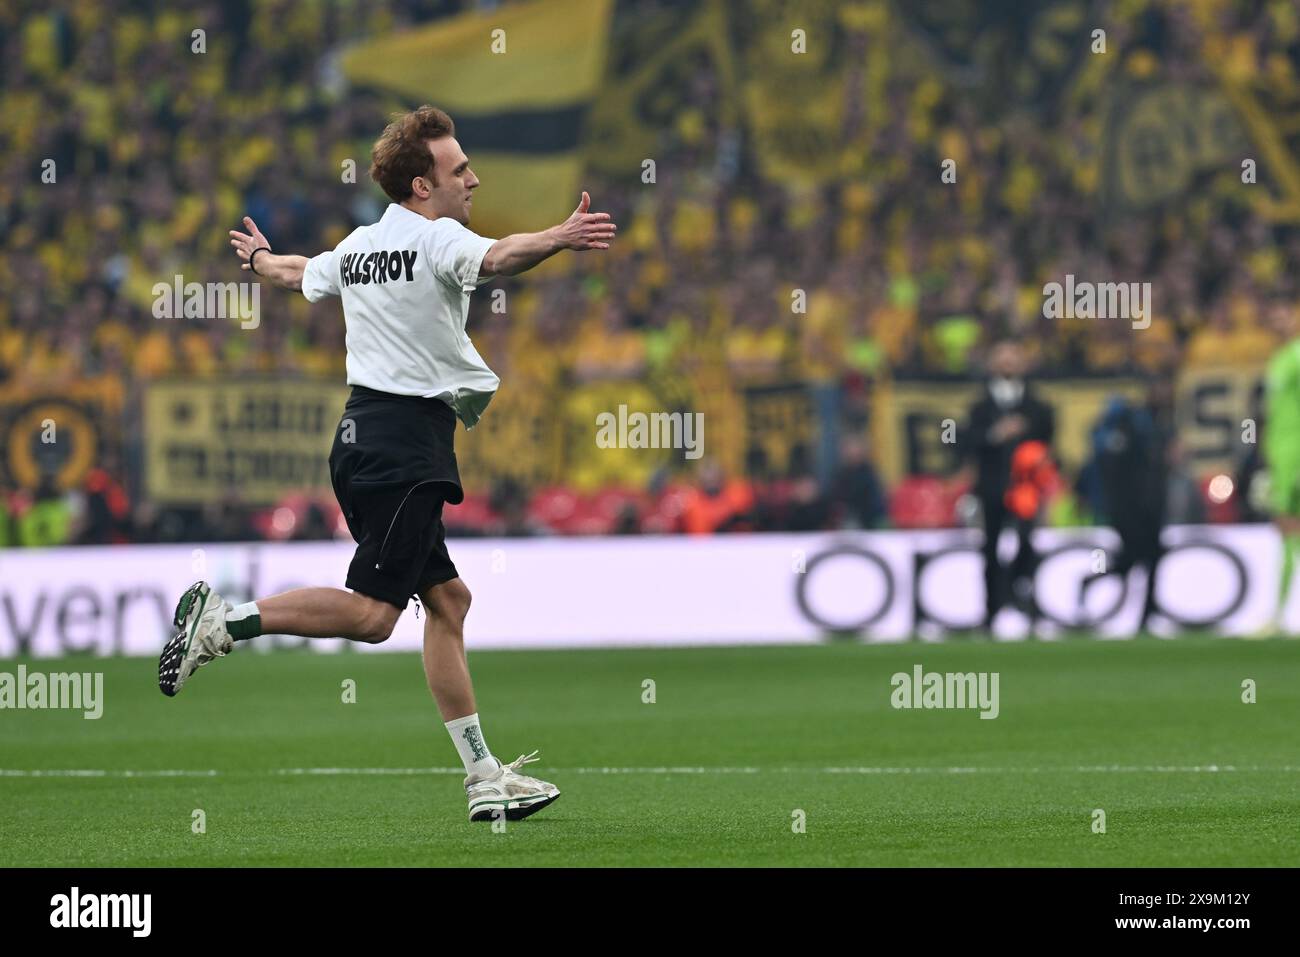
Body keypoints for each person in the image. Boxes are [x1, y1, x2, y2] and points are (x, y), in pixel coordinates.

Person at [157, 105, 618, 822]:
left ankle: (484, 775)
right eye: (458, 168)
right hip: (403, 445)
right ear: (421, 186)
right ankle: (222, 622)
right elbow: (498, 258)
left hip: (366, 438)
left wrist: (253, 259)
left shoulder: (359, 246)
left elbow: (291, 272)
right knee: (375, 616)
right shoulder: (439, 241)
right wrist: (559, 237)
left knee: (448, 601)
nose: (473, 177)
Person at [962, 341, 1055, 630]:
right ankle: (991, 611)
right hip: (992, 486)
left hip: (1026, 488)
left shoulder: (1038, 406)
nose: (1008, 363)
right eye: (1002, 357)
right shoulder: (979, 407)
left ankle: (1017, 594)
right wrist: (995, 434)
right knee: (990, 549)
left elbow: (1048, 442)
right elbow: (967, 442)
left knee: (1027, 542)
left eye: (1013, 357)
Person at [1076, 383, 1174, 634]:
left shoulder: (1157, 426)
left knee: (1149, 560)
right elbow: (1117, 470)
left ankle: (1147, 616)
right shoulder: (1135, 426)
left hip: (1149, 507)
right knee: (1136, 560)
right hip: (1131, 509)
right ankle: (1092, 582)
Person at [1259, 304, 1300, 634]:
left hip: (1295, 457)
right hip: (1282, 457)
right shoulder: (1282, 357)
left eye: (1285, 313)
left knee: (1288, 527)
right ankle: (1280, 614)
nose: (1278, 319)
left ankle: (1278, 615)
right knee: (1287, 532)